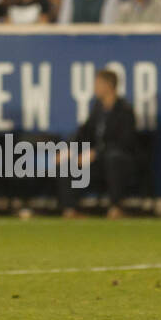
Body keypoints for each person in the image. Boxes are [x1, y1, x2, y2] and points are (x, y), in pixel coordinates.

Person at [58, 68, 139, 218]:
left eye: (97, 84)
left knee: (113, 158)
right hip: (97, 164)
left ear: (109, 85)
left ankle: (116, 207)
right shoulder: (97, 109)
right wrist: (69, 149)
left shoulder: (125, 111)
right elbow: (84, 132)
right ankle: (70, 209)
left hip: (119, 164)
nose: (94, 88)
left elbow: (125, 142)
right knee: (68, 163)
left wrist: (97, 153)